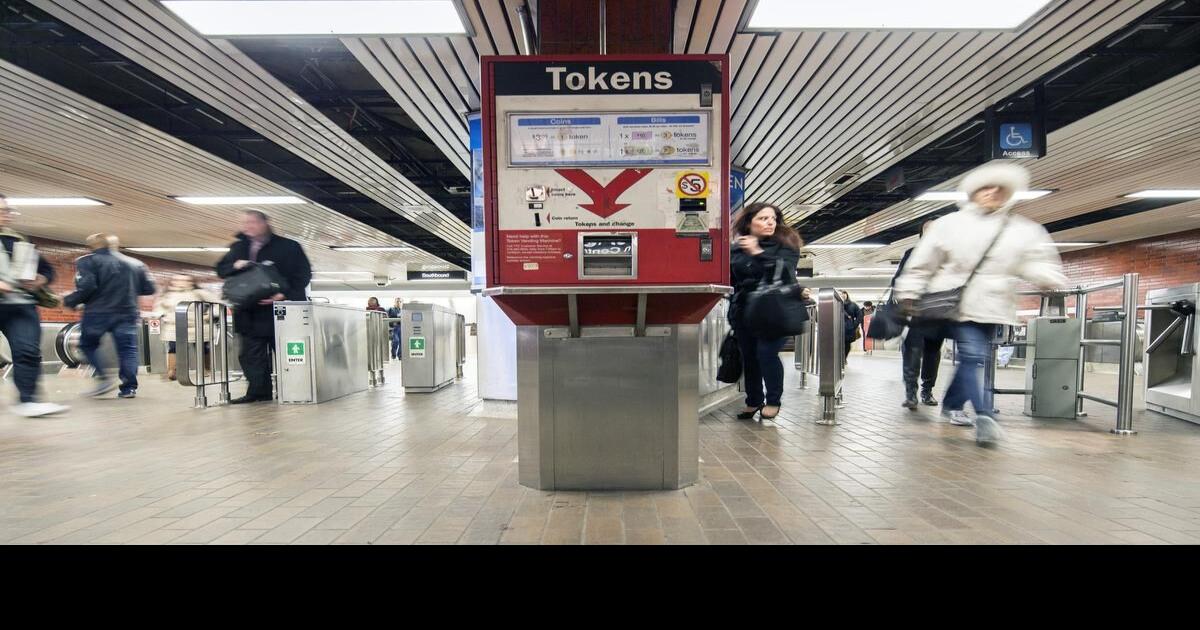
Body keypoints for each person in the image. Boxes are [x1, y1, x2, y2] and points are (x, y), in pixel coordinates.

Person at [895, 163, 1066, 445]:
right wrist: (908, 292)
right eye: (986, 188)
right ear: (973, 192)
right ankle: (985, 417)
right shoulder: (949, 225)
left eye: (1000, 189)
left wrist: (1048, 278)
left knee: (974, 360)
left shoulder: (1021, 230)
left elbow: (1036, 261)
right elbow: (921, 265)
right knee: (974, 357)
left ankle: (951, 404)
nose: (993, 193)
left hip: (995, 307)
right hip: (956, 305)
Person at [216, 210, 312, 404]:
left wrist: (283, 295)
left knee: (290, 353)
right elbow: (220, 269)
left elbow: (303, 275)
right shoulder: (237, 248)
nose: (247, 226)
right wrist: (236, 266)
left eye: (252, 222)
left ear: (265, 223)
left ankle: (297, 390)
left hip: (282, 312)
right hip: (249, 313)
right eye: (245, 223)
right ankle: (259, 393)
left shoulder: (289, 247)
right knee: (252, 355)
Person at [729, 202, 808, 421]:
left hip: (776, 309)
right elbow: (732, 279)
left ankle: (773, 400)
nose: (770, 222)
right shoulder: (736, 248)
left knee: (766, 354)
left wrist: (756, 251)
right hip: (745, 309)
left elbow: (783, 272)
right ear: (749, 222)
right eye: (763, 218)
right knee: (750, 358)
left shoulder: (787, 244)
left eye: (772, 218)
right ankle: (754, 401)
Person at [63, 233, 156, 399]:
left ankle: (103, 376)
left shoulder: (87, 261)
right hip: (127, 312)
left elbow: (87, 286)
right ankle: (128, 388)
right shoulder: (136, 263)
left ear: (91, 246)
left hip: (97, 313)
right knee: (127, 350)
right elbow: (149, 288)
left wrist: (70, 301)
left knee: (87, 345)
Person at [0, 198, 69, 417]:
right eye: (1, 210)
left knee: (27, 351)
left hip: (20, 306)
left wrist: (39, 279)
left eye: (7, 210)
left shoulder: (16, 239)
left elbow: (46, 270)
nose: (6, 214)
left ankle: (28, 400)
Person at [894, 220, 948, 410]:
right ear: (922, 234)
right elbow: (898, 279)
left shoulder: (949, 255)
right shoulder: (912, 254)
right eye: (928, 229)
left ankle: (927, 390)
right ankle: (911, 394)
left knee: (932, 353)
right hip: (915, 313)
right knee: (912, 352)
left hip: (938, 313)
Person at [152, 274, 220, 381]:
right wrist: (160, 315)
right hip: (175, 326)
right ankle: (172, 371)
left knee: (201, 348)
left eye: (185, 280)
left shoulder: (200, 293)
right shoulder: (167, 295)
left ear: (191, 282)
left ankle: (206, 369)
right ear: (173, 282)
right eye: (178, 280)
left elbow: (217, 304)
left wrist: (209, 316)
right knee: (173, 348)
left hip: (198, 326)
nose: (181, 283)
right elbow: (160, 307)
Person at [841, 290, 863, 361]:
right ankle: (840, 358)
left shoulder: (853, 305)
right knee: (838, 344)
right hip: (837, 327)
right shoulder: (836, 304)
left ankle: (844, 358)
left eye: (844, 294)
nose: (843, 295)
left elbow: (860, 315)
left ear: (847, 295)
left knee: (847, 344)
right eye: (841, 294)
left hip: (849, 328)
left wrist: (854, 325)